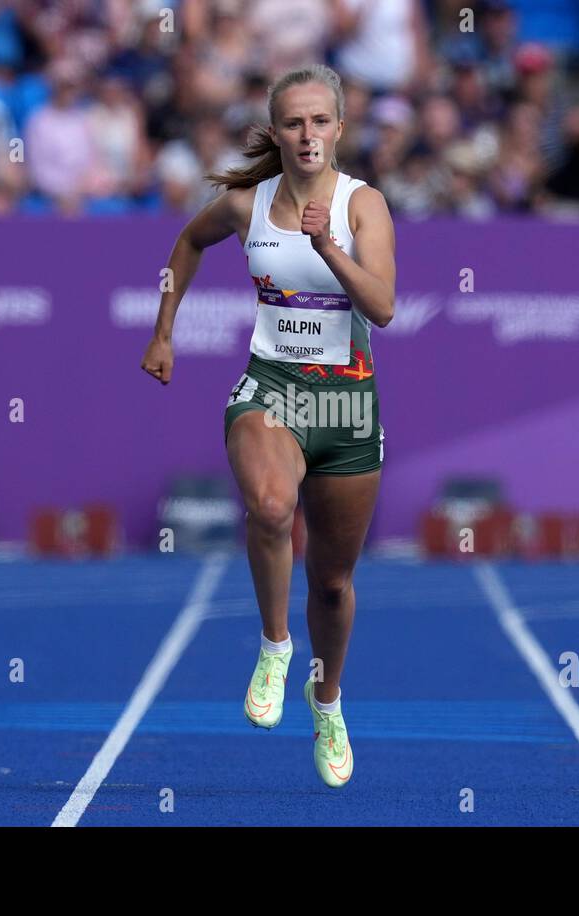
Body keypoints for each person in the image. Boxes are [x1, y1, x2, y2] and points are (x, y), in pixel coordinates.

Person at [140, 64, 395, 788]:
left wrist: (329, 249)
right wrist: (165, 332)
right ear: (276, 132)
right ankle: (275, 645)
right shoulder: (243, 206)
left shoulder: (363, 205)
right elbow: (186, 246)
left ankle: (328, 702)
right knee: (270, 506)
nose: (308, 135)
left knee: (335, 585)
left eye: (320, 121)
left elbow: (383, 308)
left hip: (346, 402)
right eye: (294, 122)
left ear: (339, 128)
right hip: (271, 386)